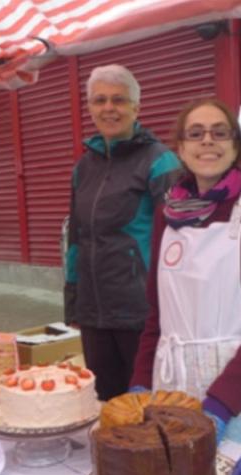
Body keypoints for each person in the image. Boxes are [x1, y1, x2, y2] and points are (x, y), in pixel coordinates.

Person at [129, 98, 241, 446]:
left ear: (235, 146)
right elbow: (158, 315)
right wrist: (141, 383)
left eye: (220, 133)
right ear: (181, 147)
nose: (208, 141)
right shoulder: (166, 215)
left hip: (234, 392)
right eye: (196, 133)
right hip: (169, 386)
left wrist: (220, 406)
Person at [64, 65, 182, 401]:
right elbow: (76, 237)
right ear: (90, 108)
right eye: (99, 100)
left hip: (140, 311)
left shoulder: (160, 161)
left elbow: (178, 242)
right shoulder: (83, 167)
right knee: (106, 403)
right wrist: (74, 303)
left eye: (118, 100)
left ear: (136, 108)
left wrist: (173, 307)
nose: (108, 108)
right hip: (94, 312)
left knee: (146, 402)